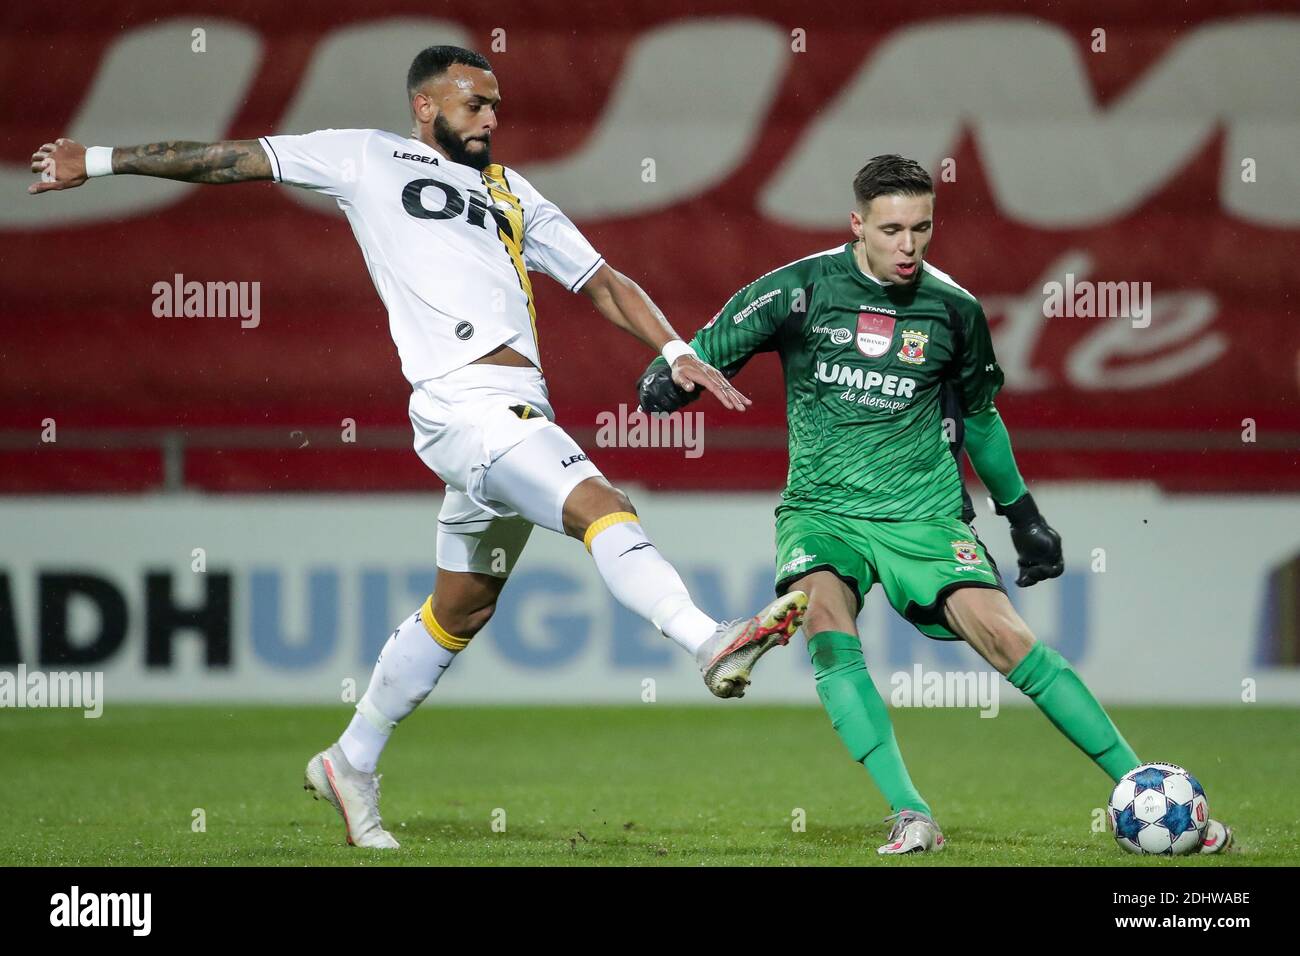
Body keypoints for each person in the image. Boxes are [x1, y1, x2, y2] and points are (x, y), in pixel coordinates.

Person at [29, 45, 807, 849]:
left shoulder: (511, 191)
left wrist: (676, 349)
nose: (492, 118)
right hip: (464, 405)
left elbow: (602, 279)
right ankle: (707, 640)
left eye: (496, 104)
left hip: (512, 412)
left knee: (462, 607)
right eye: (476, 104)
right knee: (602, 507)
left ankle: (350, 759)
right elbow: (232, 160)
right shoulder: (363, 155)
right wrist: (100, 159)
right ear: (426, 106)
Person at [637, 153, 1233, 855]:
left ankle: (1145, 789)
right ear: (857, 224)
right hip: (821, 511)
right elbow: (695, 355)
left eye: (921, 228)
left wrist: (1023, 516)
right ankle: (910, 812)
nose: (908, 246)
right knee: (825, 621)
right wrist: (667, 385)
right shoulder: (796, 290)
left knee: (1009, 641)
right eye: (891, 230)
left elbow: (980, 418)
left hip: (924, 514)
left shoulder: (954, 309)